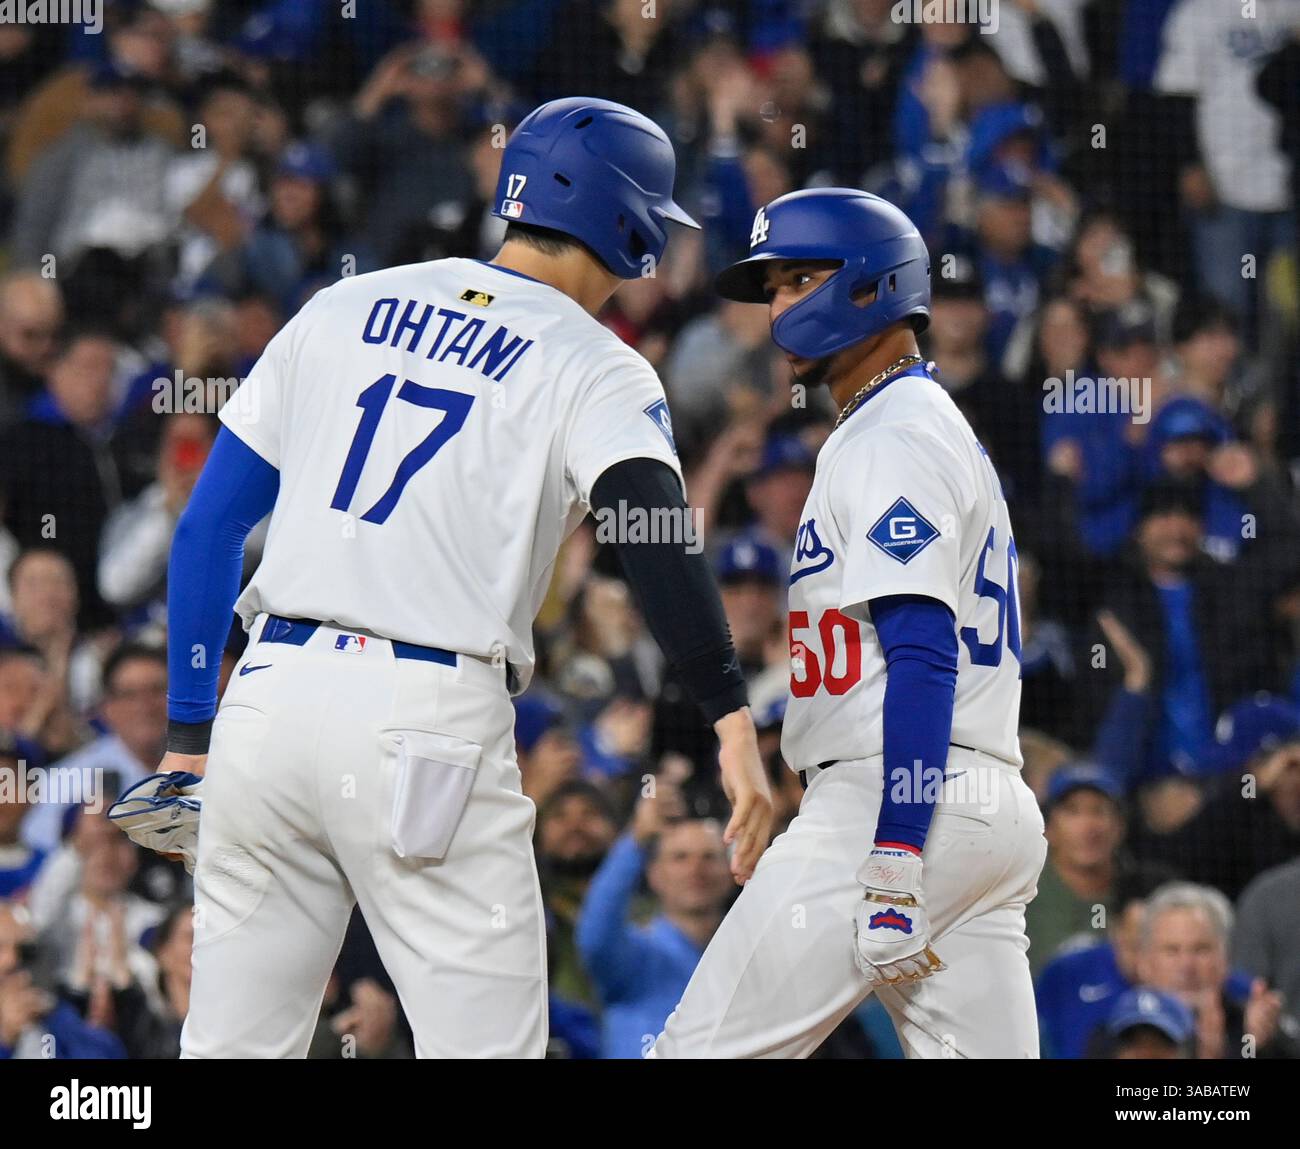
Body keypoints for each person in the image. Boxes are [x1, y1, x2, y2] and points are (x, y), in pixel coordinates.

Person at [112, 96, 772, 1059]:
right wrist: (727, 713)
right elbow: (655, 536)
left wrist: (185, 733)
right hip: (423, 719)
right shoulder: (595, 362)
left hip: (267, 701)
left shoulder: (343, 304)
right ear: (626, 225)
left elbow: (209, 527)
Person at [653, 188, 1047, 1059]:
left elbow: (921, 649)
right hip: (980, 807)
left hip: (896, 798)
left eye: (800, 279)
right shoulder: (917, 422)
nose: (783, 306)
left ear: (874, 285)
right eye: (775, 290)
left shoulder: (890, 434)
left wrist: (898, 851)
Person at [576, 773, 734, 1059]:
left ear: (730, 871)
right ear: (654, 874)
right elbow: (595, 936)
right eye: (680, 857)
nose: (696, 869)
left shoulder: (744, 959)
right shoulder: (636, 958)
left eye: (709, 857)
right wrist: (637, 836)